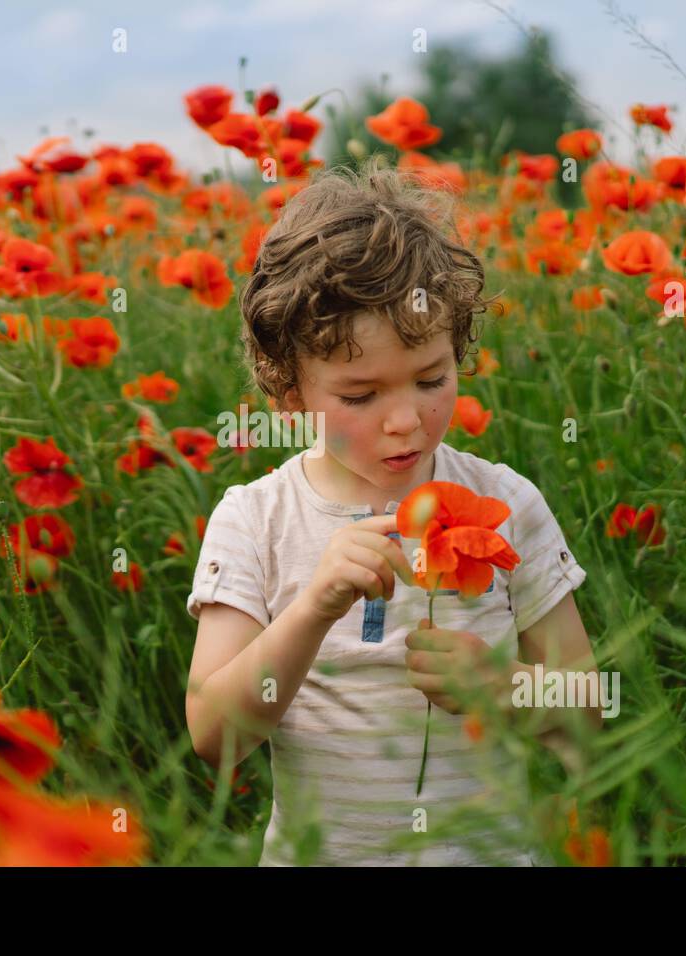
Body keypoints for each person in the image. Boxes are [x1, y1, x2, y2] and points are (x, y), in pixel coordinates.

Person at [185, 156, 600, 866]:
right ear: (290, 393)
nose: (406, 420)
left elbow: (590, 709)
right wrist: (314, 607)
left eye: (432, 379)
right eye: (360, 396)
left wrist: (506, 690)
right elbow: (215, 735)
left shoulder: (507, 503)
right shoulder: (256, 519)